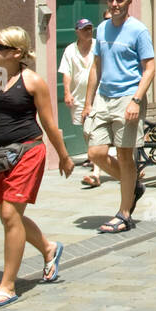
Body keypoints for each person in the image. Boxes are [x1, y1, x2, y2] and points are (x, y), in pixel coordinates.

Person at [0, 27, 73, 308]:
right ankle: (49, 248)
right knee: (9, 217)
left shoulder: (33, 83)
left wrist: (65, 157)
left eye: (0, 46)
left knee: (10, 214)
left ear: (17, 52)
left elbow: (50, 124)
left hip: (29, 152)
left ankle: (7, 286)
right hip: (1, 156)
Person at [81, 0, 156, 234]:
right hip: (104, 96)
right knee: (96, 153)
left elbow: (150, 69)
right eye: (111, 0)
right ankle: (132, 184)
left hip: (128, 97)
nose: (114, 4)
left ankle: (124, 214)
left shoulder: (138, 31)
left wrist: (136, 99)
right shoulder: (101, 29)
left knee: (125, 155)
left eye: (119, 0)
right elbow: (96, 67)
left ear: (129, 2)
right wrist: (88, 102)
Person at [58, 18, 100, 187]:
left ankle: (96, 171)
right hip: (79, 99)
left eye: (90, 28)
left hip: (98, 96)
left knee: (94, 131)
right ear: (77, 31)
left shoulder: (98, 45)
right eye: (84, 29)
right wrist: (67, 93)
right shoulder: (70, 50)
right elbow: (66, 73)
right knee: (86, 130)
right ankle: (96, 159)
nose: (88, 31)